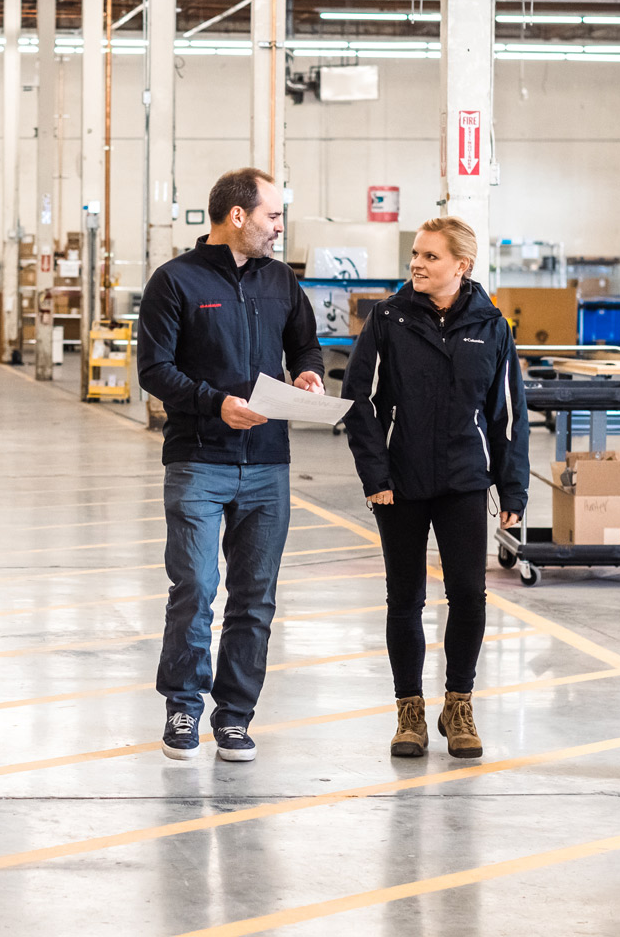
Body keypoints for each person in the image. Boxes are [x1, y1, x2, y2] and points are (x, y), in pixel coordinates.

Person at [136, 168, 324, 763]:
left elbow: (306, 346)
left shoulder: (281, 283)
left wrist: (308, 375)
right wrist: (215, 403)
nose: (279, 227)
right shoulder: (175, 282)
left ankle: (235, 718)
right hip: (199, 459)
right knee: (194, 587)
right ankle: (184, 707)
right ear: (237, 216)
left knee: (255, 597)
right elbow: (154, 370)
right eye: (273, 216)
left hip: (268, 463)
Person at [341, 217, 528, 760]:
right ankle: (409, 712)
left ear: (461, 266)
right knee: (405, 598)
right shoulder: (388, 318)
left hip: (464, 479)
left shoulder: (492, 325)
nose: (417, 264)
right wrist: (375, 477)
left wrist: (511, 493)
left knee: (468, 595)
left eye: (430, 256)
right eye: (416, 255)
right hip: (399, 482)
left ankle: (458, 704)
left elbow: (507, 417)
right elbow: (360, 403)